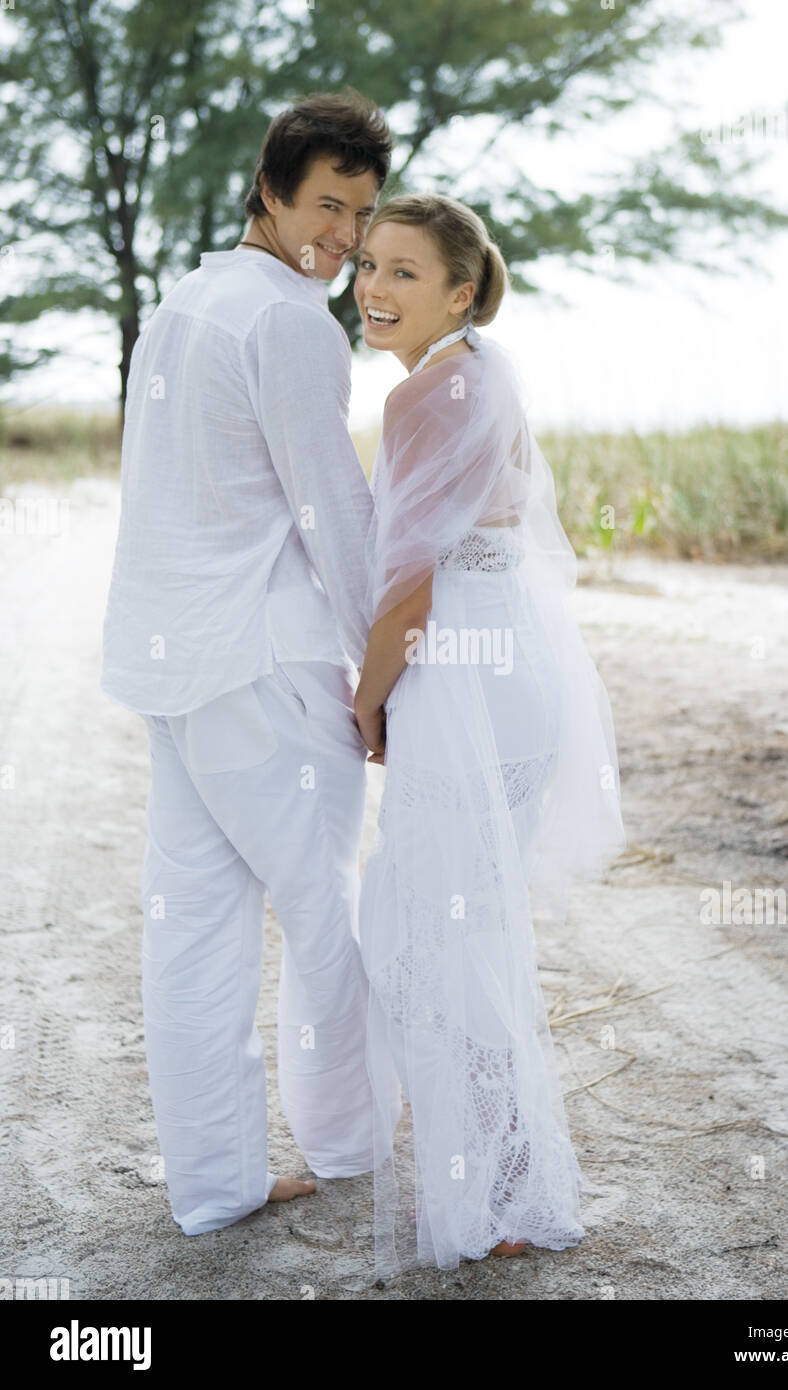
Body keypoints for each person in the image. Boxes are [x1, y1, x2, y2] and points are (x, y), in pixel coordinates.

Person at [99, 89, 401, 1236]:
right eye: (327, 205)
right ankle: (347, 1139)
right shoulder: (284, 321)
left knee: (193, 927)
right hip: (263, 666)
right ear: (269, 189)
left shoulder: (186, 300)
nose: (343, 240)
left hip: (173, 663)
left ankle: (216, 1183)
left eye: (362, 220)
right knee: (325, 917)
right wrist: (384, 674)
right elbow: (334, 514)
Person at [352, 194, 628, 1276]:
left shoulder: (429, 393)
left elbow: (408, 589)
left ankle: (493, 1182)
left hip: (462, 676)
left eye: (404, 273)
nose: (373, 288)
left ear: (460, 291)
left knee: (431, 927)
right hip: (517, 669)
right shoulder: (483, 371)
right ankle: (500, 1161)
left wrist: (366, 700)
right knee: (464, 922)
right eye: (368, 265)